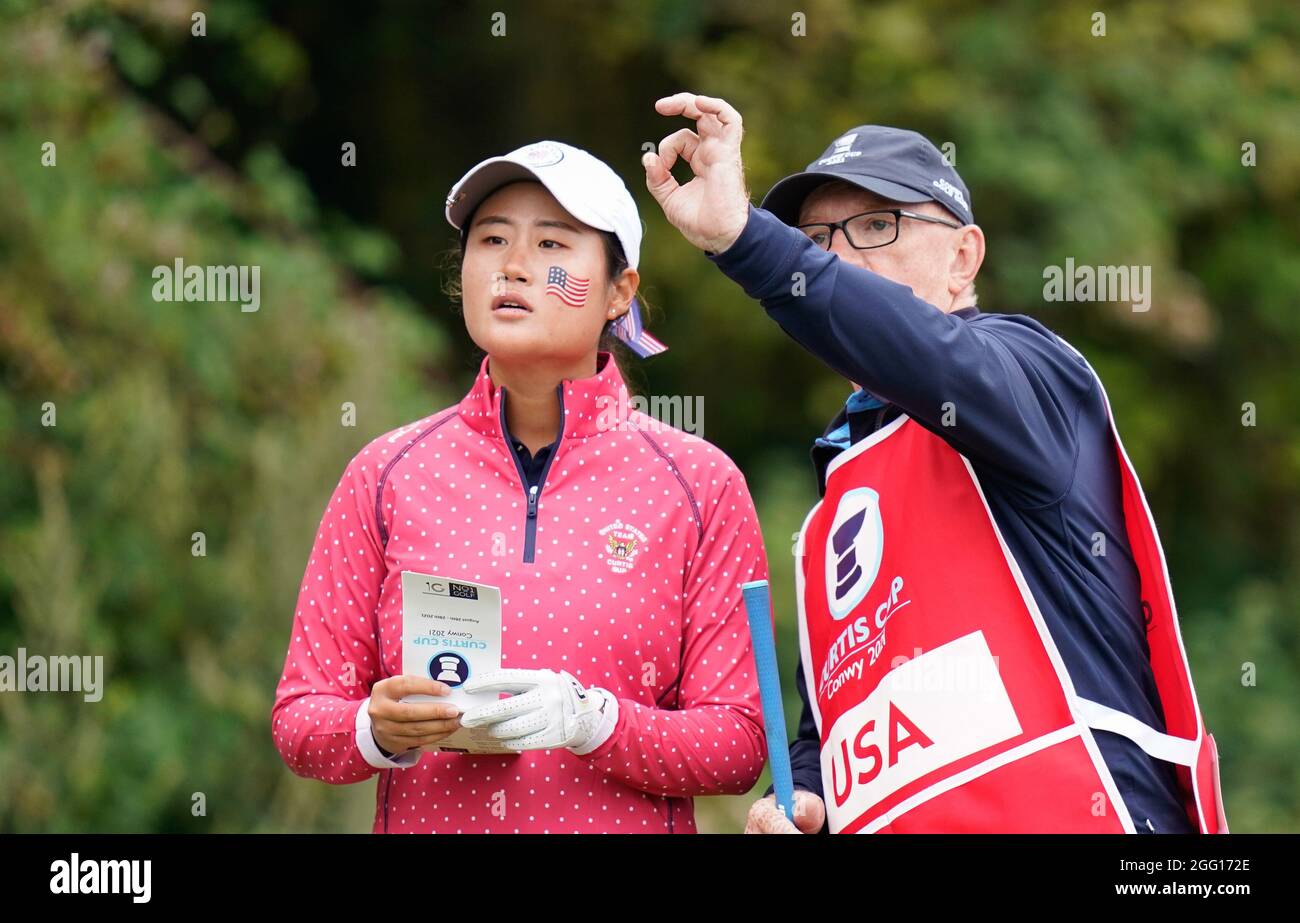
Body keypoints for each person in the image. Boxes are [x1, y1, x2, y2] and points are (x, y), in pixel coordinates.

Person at [643, 93, 1228, 834]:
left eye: (879, 225)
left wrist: (744, 238)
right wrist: (802, 795)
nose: (842, 257)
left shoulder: (1026, 373)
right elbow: (831, 731)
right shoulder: (830, 510)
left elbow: (924, 352)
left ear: (964, 256)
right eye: (817, 238)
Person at [272, 139, 769, 833]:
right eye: (492, 239)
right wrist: (375, 728)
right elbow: (300, 717)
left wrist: (595, 722)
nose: (512, 265)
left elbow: (741, 743)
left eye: (552, 245)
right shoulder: (386, 474)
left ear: (619, 290)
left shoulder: (701, 485)